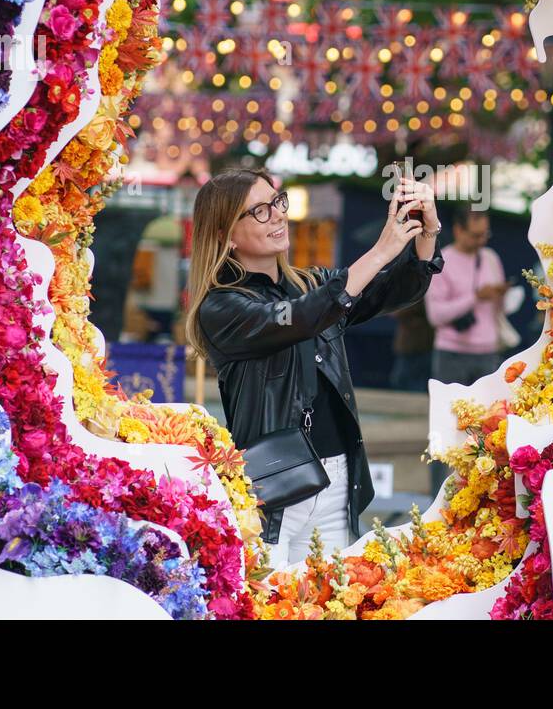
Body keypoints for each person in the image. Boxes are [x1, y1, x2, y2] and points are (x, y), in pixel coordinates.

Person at [184, 167, 443, 570]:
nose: (278, 215)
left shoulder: (311, 285)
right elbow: (303, 316)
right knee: (266, 606)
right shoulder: (221, 308)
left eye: (277, 202)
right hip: (273, 488)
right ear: (226, 236)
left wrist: (425, 233)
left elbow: (394, 289)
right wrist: (379, 251)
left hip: (337, 477)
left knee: (330, 603)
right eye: (260, 211)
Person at [424, 204, 509, 387]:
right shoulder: (441, 262)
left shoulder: (490, 258)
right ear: (458, 230)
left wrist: (502, 295)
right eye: (475, 235)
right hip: (452, 354)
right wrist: (476, 297)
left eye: (485, 234)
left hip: (488, 351)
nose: (481, 241)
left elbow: (501, 309)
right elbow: (435, 315)